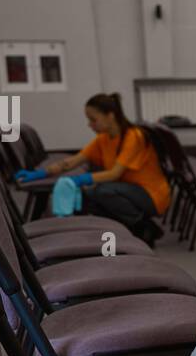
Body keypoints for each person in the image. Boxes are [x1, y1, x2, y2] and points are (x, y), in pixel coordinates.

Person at [32, 93, 170, 245]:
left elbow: (114, 174)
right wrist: (41, 173)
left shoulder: (134, 137)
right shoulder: (103, 139)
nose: (89, 124)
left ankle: (142, 227)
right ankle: (130, 228)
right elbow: (73, 161)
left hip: (151, 194)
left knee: (103, 191)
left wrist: (79, 179)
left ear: (110, 116)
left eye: (93, 119)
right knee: (88, 197)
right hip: (126, 190)